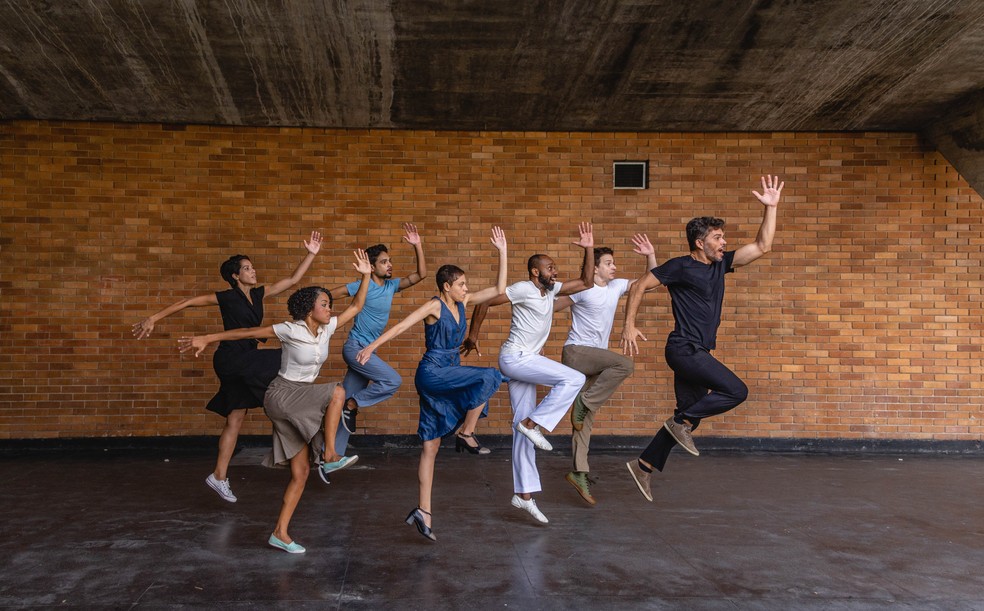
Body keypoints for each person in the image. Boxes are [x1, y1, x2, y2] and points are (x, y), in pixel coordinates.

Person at [178, 249, 373, 554]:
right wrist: (207, 338)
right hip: (282, 396)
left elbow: (358, 305)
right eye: (324, 304)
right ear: (309, 308)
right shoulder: (289, 329)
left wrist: (365, 275)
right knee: (337, 391)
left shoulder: (327, 328)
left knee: (301, 474)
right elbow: (245, 331)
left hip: (298, 402)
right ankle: (332, 455)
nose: (329, 308)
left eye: (329, 304)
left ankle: (280, 532)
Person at [621, 175, 783, 502]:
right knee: (736, 391)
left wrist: (771, 209)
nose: (724, 242)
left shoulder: (721, 266)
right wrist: (628, 325)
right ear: (700, 242)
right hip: (684, 349)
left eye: (724, 238)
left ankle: (644, 464)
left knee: (688, 416)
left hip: (696, 350)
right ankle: (680, 422)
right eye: (718, 237)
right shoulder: (680, 267)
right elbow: (639, 285)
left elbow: (763, 246)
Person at [132, 232, 323, 503]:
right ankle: (312, 432)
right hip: (231, 358)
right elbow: (187, 302)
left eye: (252, 266)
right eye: (246, 268)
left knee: (235, 419)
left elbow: (292, 280)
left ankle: (219, 476)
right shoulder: (225, 297)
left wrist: (312, 253)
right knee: (287, 355)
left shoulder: (258, 294)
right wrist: (153, 317)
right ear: (235, 275)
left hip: (247, 356)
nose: (252, 270)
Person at [354, 227, 508, 541]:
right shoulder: (434, 306)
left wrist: (502, 252)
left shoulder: (462, 302)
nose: (466, 288)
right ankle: (466, 433)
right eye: (461, 284)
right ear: (446, 286)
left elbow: (499, 288)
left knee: (430, 447)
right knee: (491, 376)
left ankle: (423, 511)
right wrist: (372, 347)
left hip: (450, 368)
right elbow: (400, 326)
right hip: (433, 372)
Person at [464, 223, 594, 524]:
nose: (555, 272)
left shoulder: (552, 292)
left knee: (519, 432)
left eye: (555, 268)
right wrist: (473, 335)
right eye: (550, 268)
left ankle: (523, 496)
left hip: (527, 361)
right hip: (514, 358)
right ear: (535, 272)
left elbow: (587, 281)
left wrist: (588, 247)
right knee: (573, 378)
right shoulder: (523, 288)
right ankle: (533, 422)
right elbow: (484, 303)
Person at [552, 234, 658, 505]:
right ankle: (585, 402)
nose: (614, 267)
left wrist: (650, 255)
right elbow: (550, 307)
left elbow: (650, 283)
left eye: (614, 263)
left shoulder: (617, 287)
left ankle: (579, 472)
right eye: (608, 263)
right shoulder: (583, 290)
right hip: (576, 353)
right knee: (624, 363)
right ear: (595, 267)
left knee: (584, 421)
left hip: (594, 360)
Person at [325, 223, 427, 454]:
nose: (389, 265)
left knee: (342, 407)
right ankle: (352, 405)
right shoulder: (363, 284)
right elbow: (329, 295)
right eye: (384, 261)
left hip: (367, 350)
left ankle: (328, 455)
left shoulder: (391, 286)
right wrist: (319, 312)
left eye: (389, 261)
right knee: (392, 380)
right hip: (355, 348)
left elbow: (421, 275)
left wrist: (417, 245)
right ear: (371, 266)